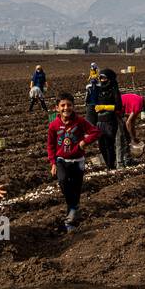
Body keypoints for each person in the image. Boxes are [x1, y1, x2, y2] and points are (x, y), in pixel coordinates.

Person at [47, 93, 100, 231]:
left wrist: (84, 142)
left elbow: (95, 132)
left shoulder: (80, 121)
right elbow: (50, 145)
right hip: (61, 160)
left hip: (78, 161)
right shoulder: (54, 125)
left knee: (76, 190)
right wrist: (53, 162)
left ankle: (70, 218)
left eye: (69, 105)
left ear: (73, 106)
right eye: (62, 105)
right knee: (63, 182)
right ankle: (72, 212)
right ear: (57, 108)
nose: (66, 108)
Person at [92, 68, 123, 170]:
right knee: (101, 145)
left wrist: (104, 107)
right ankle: (108, 164)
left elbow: (118, 106)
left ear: (110, 79)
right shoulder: (99, 90)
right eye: (100, 78)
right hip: (99, 121)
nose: (102, 80)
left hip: (110, 120)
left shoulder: (114, 90)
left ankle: (111, 166)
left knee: (109, 144)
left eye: (104, 78)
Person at [120, 89, 145, 165]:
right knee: (123, 138)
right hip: (113, 112)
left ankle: (126, 159)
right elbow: (128, 123)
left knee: (125, 136)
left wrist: (133, 135)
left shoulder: (138, 99)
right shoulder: (138, 106)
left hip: (116, 110)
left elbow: (131, 122)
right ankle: (123, 161)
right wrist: (133, 138)